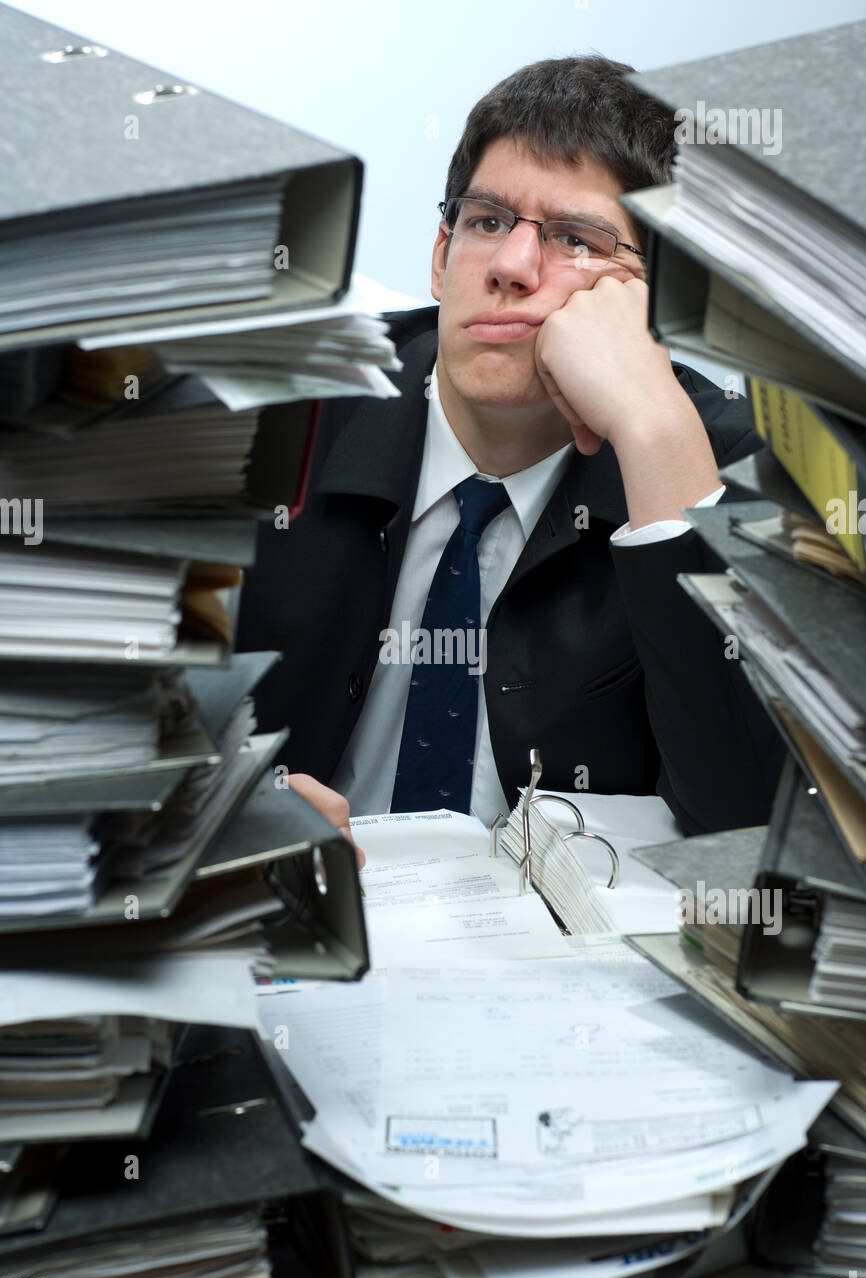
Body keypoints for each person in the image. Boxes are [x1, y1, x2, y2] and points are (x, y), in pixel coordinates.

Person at [238, 54, 783, 837]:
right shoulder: (287, 405)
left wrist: (656, 433)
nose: (511, 266)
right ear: (439, 255)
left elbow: (747, 829)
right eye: (487, 222)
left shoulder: (729, 462)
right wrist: (229, 801)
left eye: (575, 239)